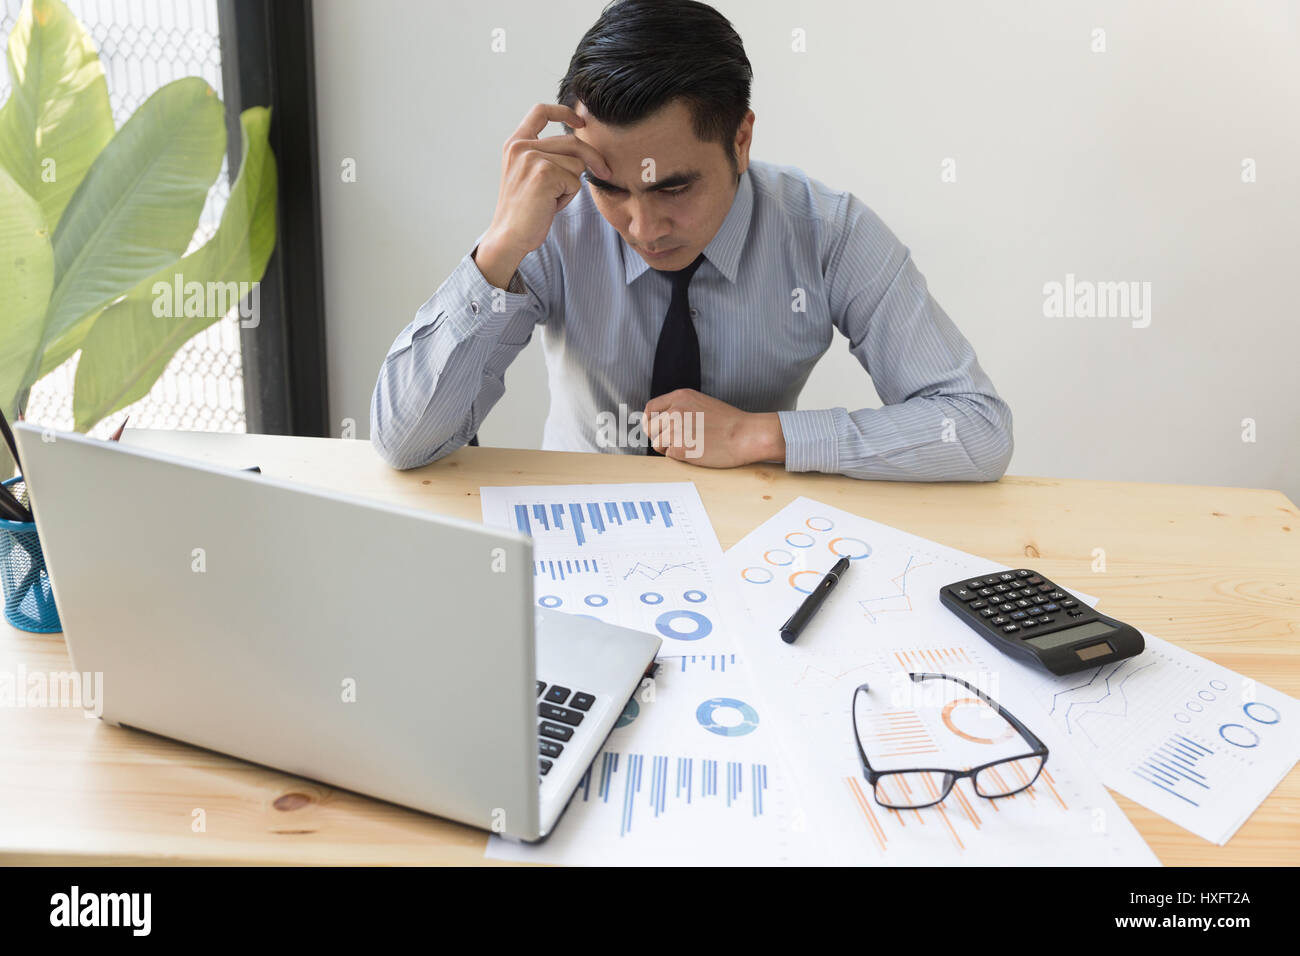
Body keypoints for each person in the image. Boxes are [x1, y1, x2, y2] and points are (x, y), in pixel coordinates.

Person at [370, 0, 1013, 481]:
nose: (644, 230)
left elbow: (977, 428)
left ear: (741, 139)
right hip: (580, 534)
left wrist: (758, 436)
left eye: (673, 188)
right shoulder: (552, 222)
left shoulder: (827, 233)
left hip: (759, 536)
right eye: (612, 188)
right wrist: (500, 250)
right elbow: (404, 442)